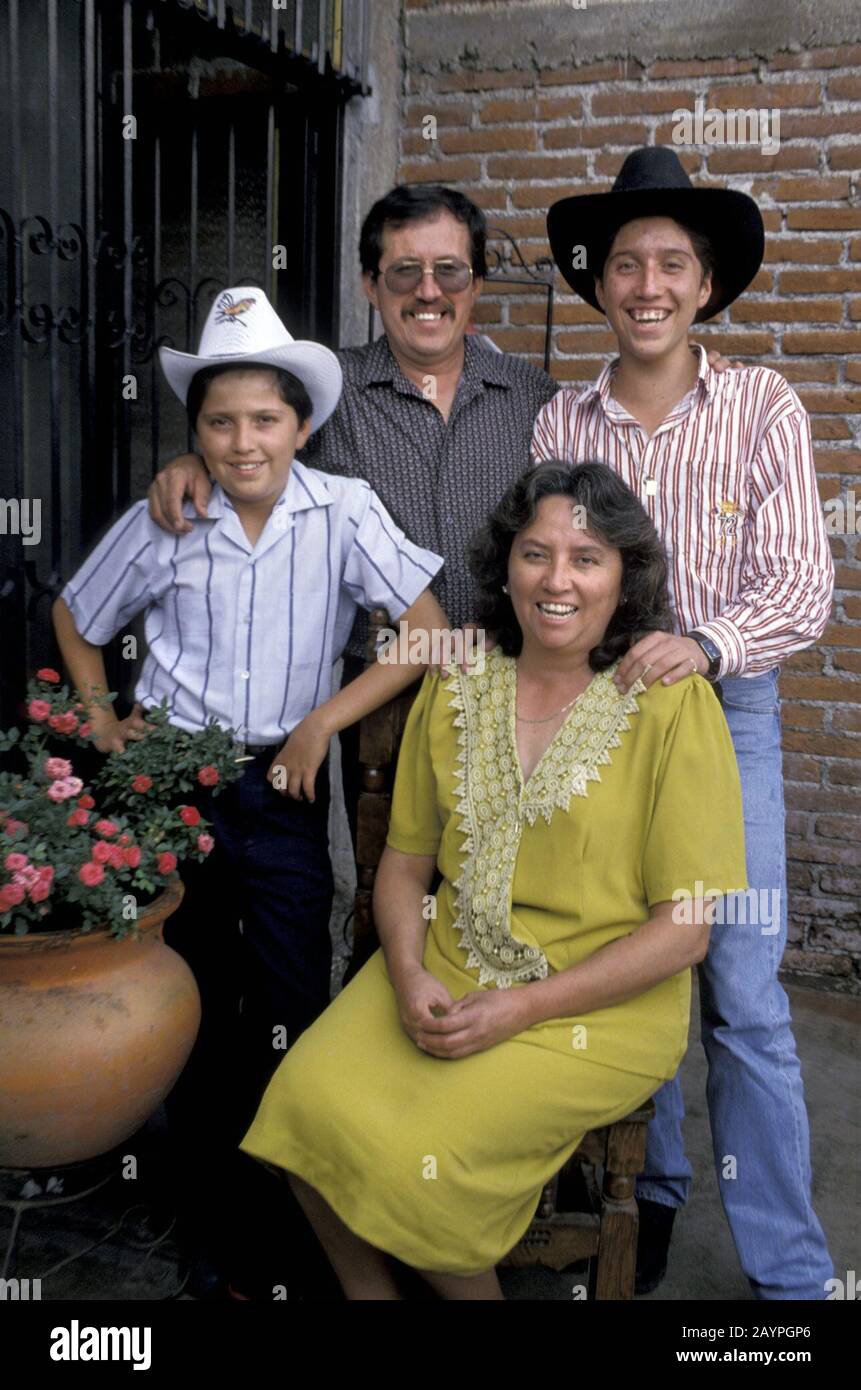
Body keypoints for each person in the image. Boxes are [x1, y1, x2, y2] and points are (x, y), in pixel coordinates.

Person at [237, 460, 749, 1300]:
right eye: (534, 553)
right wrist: (405, 975)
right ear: (503, 566)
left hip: (592, 1008)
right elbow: (404, 866)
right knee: (300, 1105)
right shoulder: (462, 677)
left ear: (624, 579)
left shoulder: (668, 702)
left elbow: (683, 930)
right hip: (440, 966)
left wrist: (520, 1007)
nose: (556, 580)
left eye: (586, 558)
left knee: (420, 1171)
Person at [52, 286, 447, 1297]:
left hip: (282, 781)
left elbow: (429, 630)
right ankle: (214, 1230)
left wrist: (323, 721)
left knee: (289, 1001)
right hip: (175, 786)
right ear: (196, 432)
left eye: (264, 418)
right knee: (191, 1003)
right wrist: (101, 724)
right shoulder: (171, 515)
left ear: (301, 425)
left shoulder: (342, 511)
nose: (241, 440)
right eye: (218, 421)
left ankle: (297, 1221)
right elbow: (78, 616)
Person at [535, 145, 835, 1299]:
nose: (646, 285)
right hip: (603, 711)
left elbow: (803, 587)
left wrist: (703, 645)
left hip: (726, 710)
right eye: (624, 264)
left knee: (746, 991)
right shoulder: (566, 417)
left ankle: (794, 1277)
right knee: (630, 960)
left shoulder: (761, 404)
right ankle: (650, 1195)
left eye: (670, 262)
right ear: (599, 283)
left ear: (705, 283)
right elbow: (542, 573)